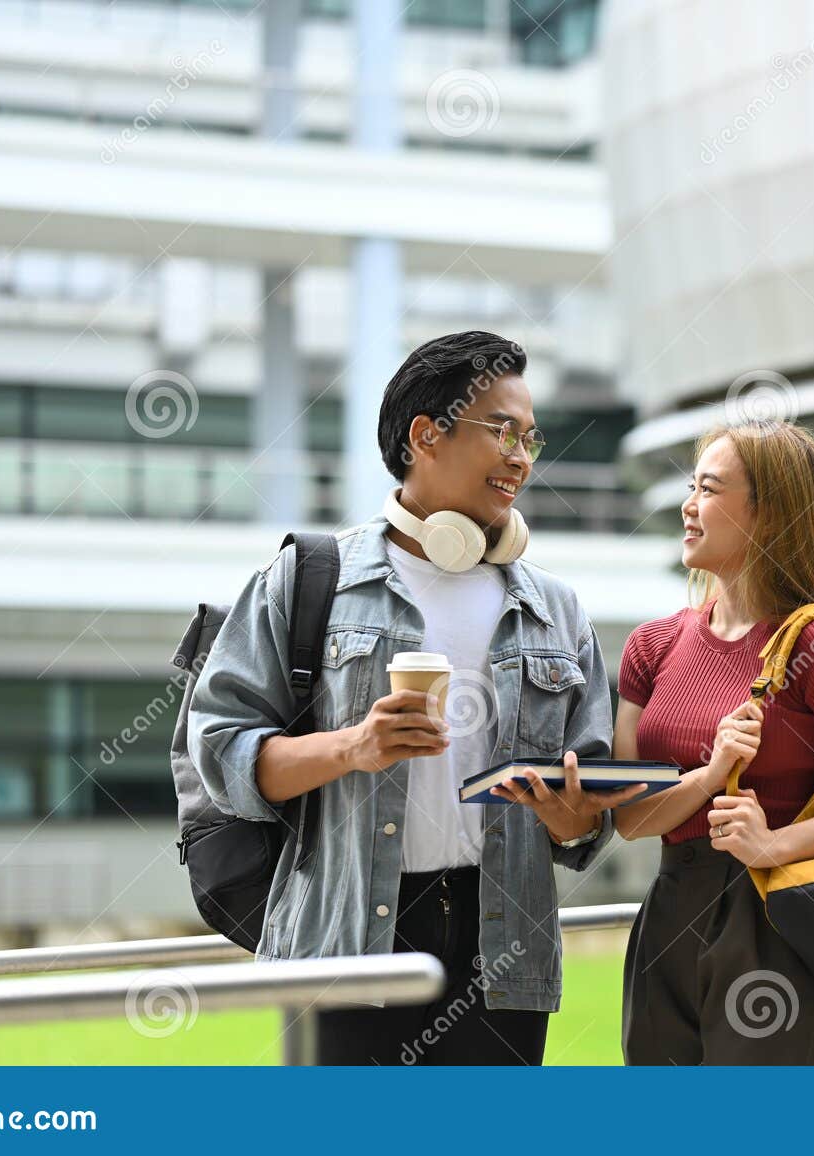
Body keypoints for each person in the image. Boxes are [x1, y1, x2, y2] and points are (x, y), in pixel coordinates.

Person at [189, 331, 640, 1065]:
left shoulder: (557, 608)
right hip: (344, 946)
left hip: (502, 954)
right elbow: (224, 756)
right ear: (426, 434)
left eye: (531, 437)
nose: (522, 457)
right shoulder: (310, 580)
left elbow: (584, 814)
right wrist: (351, 746)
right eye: (503, 432)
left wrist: (571, 815)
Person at [613, 419, 814, 1065]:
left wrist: (774, 845)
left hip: (777, 922)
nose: (688, 505)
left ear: (770, 513)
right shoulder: (654, 644)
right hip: (669, 910)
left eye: (709, 488)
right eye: (691, 486)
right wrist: (709, 775)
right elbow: (630, 818)